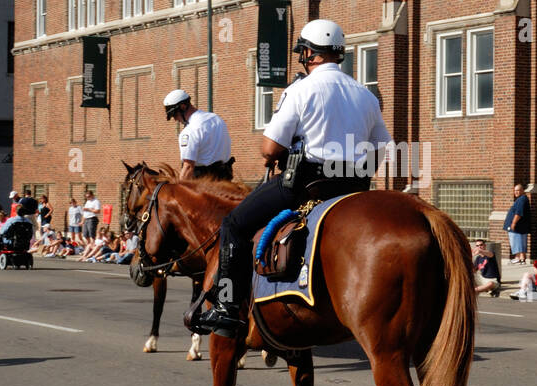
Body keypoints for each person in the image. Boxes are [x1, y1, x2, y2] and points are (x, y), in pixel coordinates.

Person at [194, 18, 391, 337]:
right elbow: (384, 149)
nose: (304, 57)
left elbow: (269, 149)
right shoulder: (366, 96)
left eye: (304, 52)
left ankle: (227, 308)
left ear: (311, 54)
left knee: (233, 224)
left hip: (307, 185)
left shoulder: (301, 90)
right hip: (355, 187)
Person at [164, 88, 235, 181]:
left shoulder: (189, 131)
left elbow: (188, 167)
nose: (175, 119)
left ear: (183, 107)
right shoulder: (216, 118)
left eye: (174, 115)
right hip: (225, 179)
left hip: (204, 185)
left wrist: (178, 189)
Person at [503, 184, 531, 264]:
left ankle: (519, 258)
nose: (516, 192)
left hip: (518, 228)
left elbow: (518, 213)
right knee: (519, 241)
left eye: (518, 190)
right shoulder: (522, 199)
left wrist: (513, 223)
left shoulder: (521, 200)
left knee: (516, 241)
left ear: (522, 191)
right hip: (520, 227)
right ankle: (520, 258)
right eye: (515, 190)